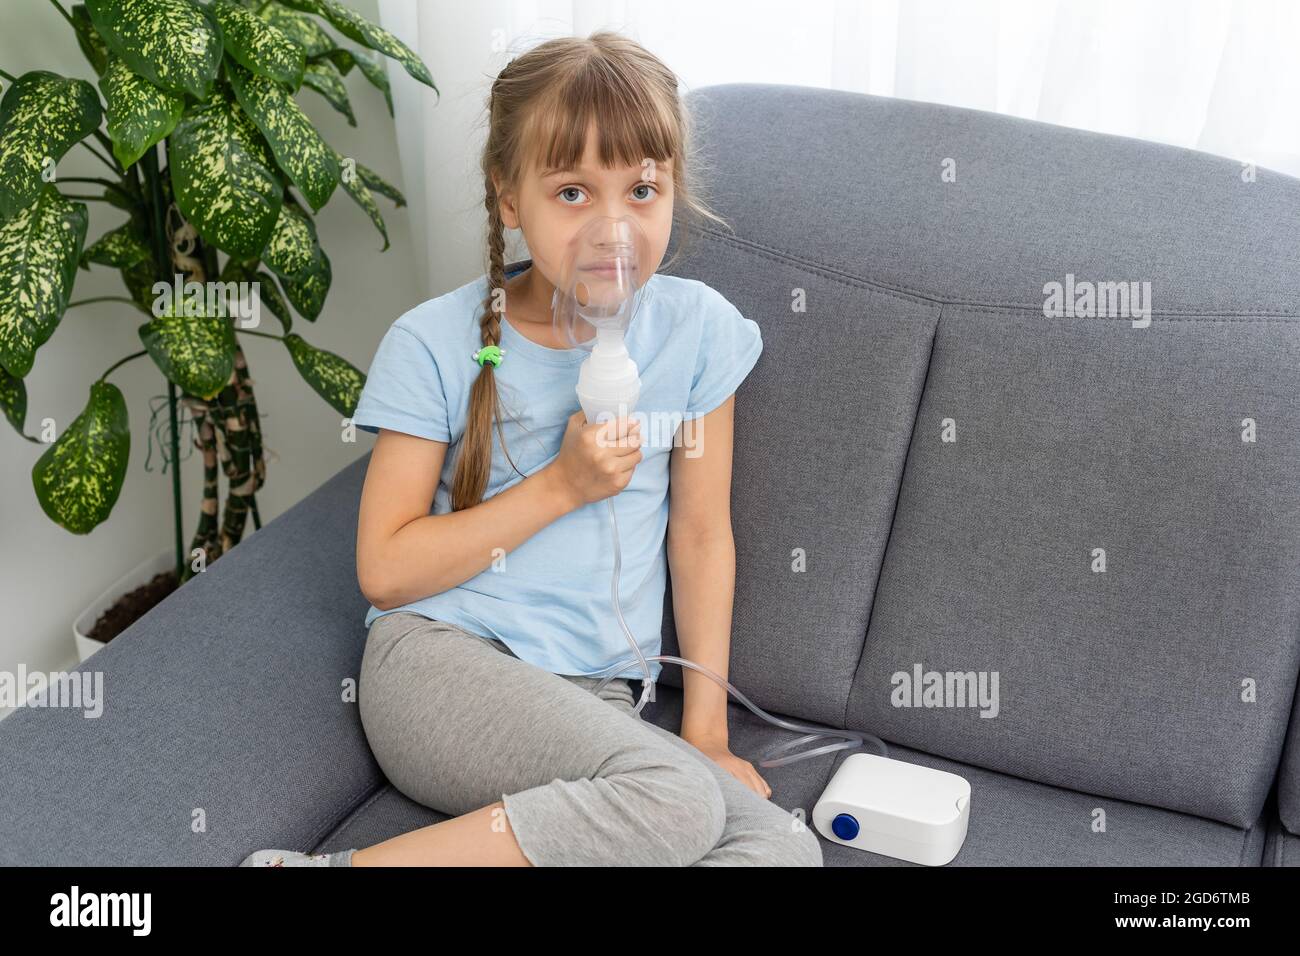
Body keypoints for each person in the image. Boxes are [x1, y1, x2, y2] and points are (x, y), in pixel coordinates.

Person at [241, 30, 820, 868]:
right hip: (439, 665)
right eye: (574, 192)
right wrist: (562, 485)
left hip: (594, 704)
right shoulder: (435, 342)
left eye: (643, 189)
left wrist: (704, 730)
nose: (614, 230)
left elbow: (700, 537)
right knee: (672, 799)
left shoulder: (696, 334)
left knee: (779, 852)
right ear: (510, 199)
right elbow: (386, 569)